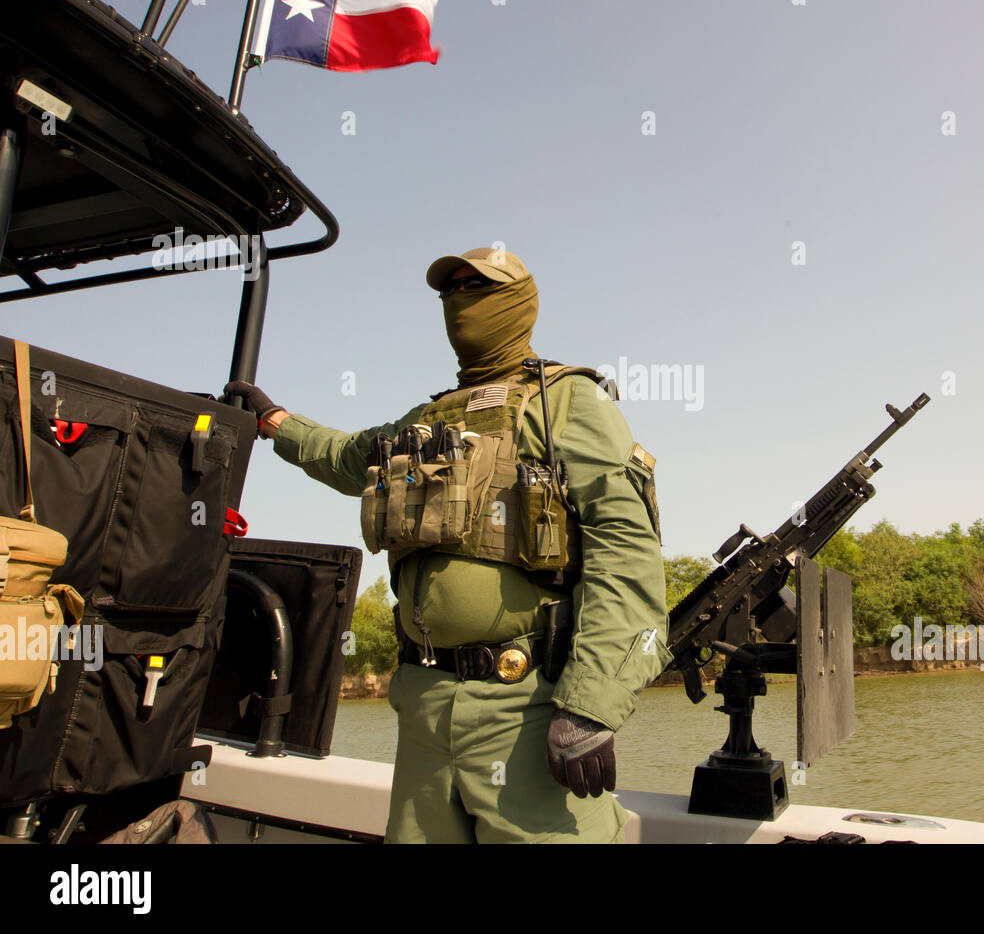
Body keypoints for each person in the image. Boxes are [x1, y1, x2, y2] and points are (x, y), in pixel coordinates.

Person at [225, 247, 669, 843]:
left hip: (524, 706)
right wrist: (277, 421)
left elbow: (625, 553)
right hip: (422, 708)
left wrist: (591, 705)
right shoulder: (426, 420)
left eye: (475, 287)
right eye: (449, 289)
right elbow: (349, 456)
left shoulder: (568, 400)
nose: (459, 300)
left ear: (517, 303)